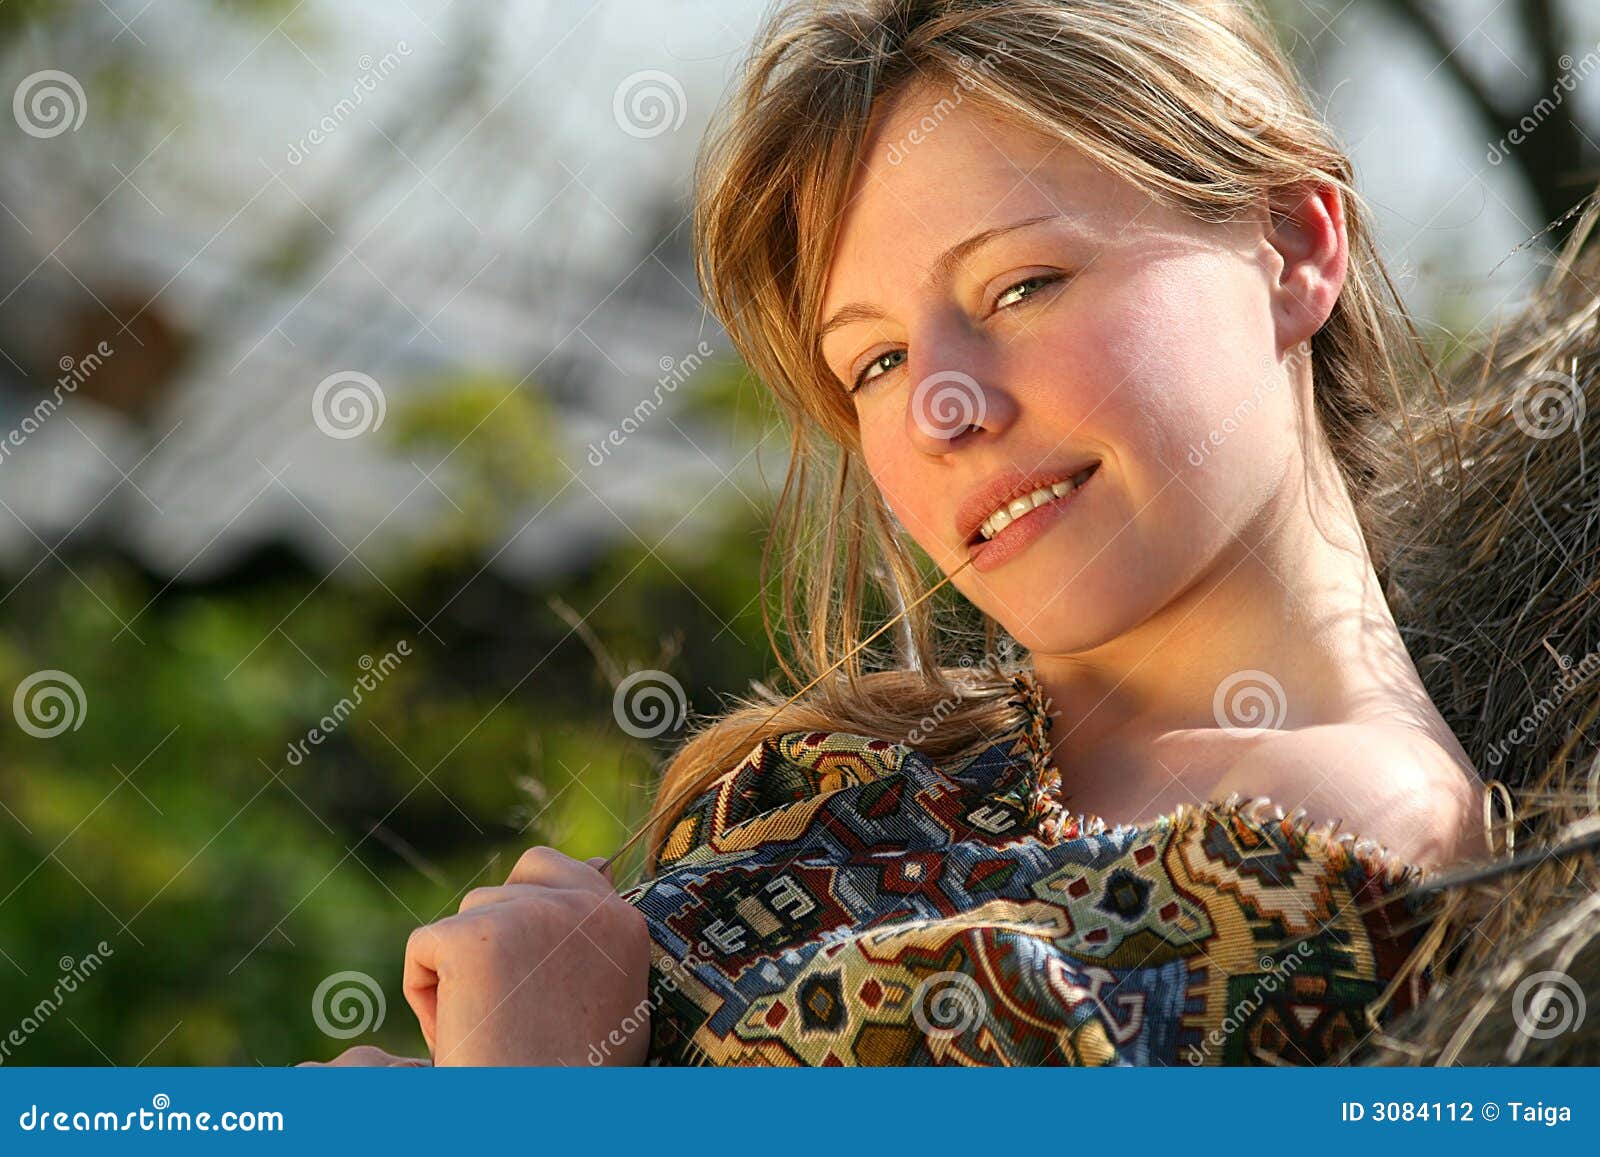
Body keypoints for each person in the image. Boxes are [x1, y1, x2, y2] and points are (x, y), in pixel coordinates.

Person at [308, 0, 1496, 1068]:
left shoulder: (1335, 861)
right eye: (874, 360)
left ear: (1293, 246)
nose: (940, 408)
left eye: (1019, 286)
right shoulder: (836, 776)